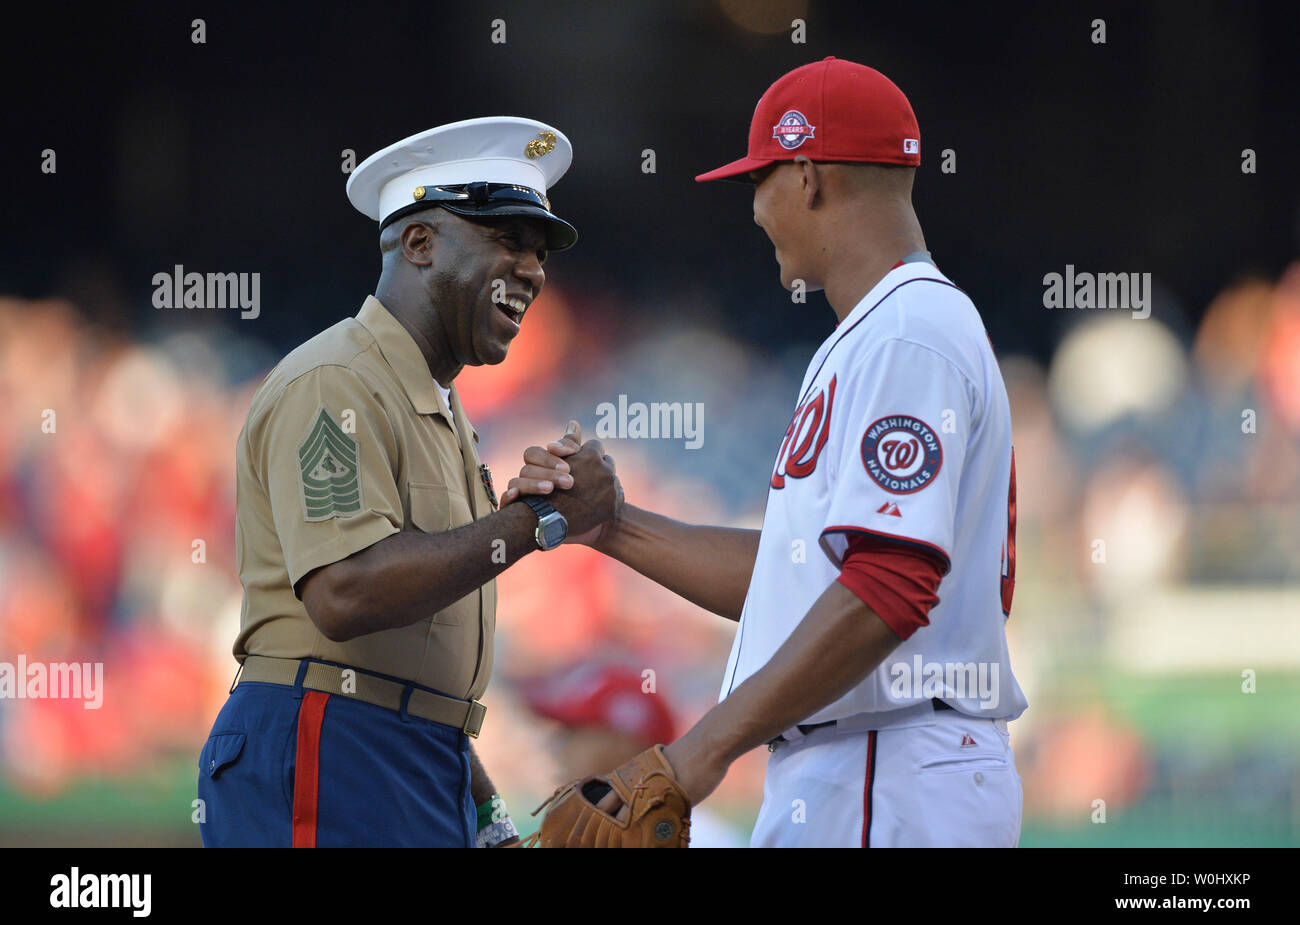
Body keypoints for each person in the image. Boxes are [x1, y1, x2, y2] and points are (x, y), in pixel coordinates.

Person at [502, 59, 1026, 847]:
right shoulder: (876, 334)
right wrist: (611, 523)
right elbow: (802, 577)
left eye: (760, 181)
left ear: (808, 176)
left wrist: (694, 756)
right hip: (867, 762)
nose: (754, 209)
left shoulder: (908, 331)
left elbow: (890, 584)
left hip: (888, 763)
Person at [198, 117, 619, 847]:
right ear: (419, 243)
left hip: (414, 755)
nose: (533, 269)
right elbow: (345, 590)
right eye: (508, 238)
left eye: (540, 251)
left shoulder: (440, 402)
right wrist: (536, 521)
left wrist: (480, 802)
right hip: (328, 741)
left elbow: (417, 664)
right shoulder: (338, 379)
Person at [518, 661, 747, 848]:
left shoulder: (695, 838)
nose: (553, 747)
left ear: (622, 747)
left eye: (571, 732)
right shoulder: (595, 830)